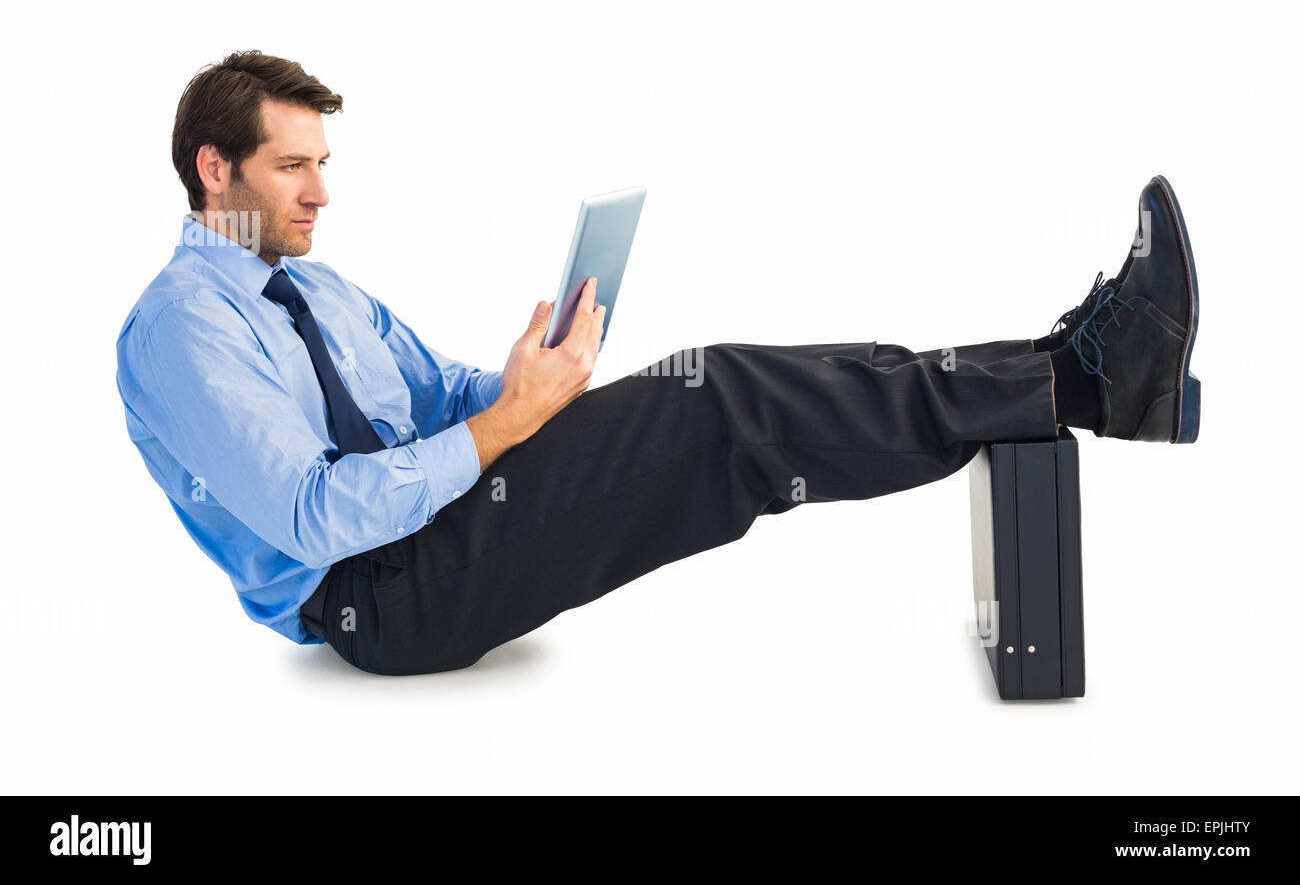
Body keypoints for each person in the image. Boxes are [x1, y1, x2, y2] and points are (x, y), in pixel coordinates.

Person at [115, 50, 1201, 675]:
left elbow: (442, 396)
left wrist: (523, 385)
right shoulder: (180, 327)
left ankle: (1062, 367)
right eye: (292, 166)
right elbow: (312, 515)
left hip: (436, 526)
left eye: (322, 163)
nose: (320, 193)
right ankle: (1090, 382)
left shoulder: (317, 286)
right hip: (379, 601)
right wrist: (503, 427)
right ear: (215, 169)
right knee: (721, 405)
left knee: (711, 379)